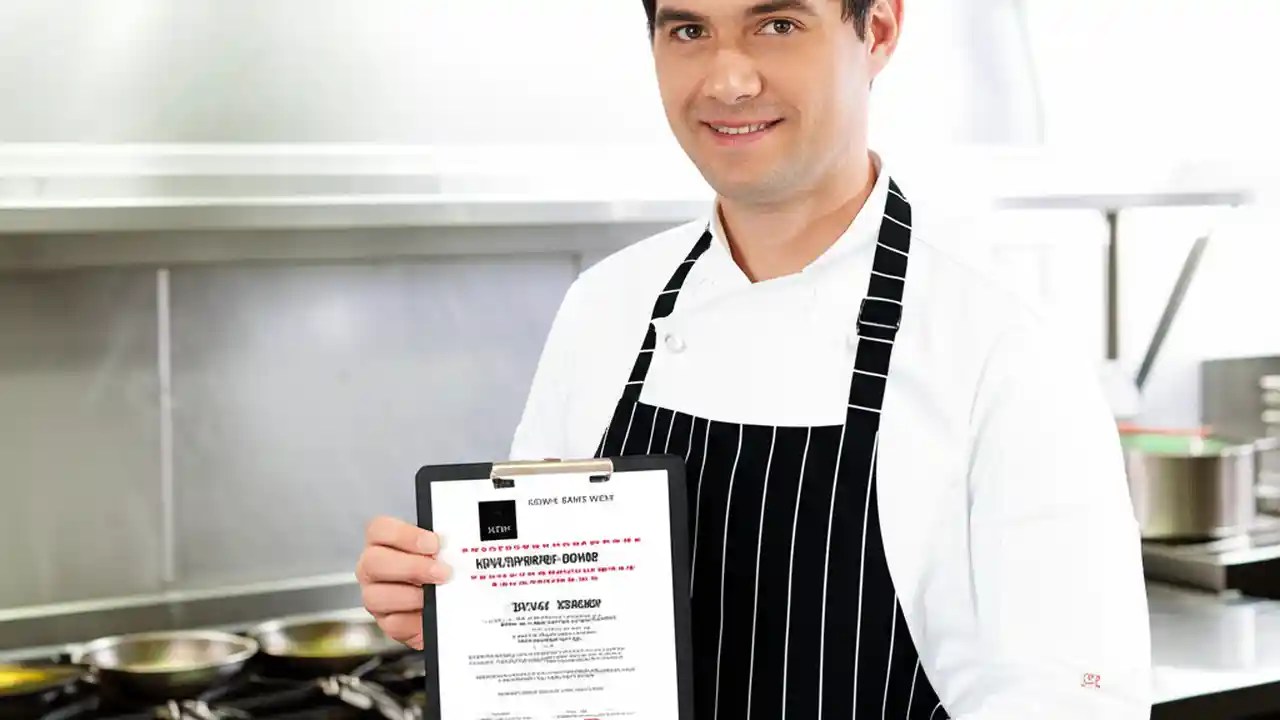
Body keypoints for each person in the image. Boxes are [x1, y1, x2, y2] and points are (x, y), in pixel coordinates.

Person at [356, 0, 1152, 717]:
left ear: (876, 32)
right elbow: (553, 630)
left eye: (778, 24)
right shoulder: (606, 307)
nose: (728, 80)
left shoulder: (1002, 348)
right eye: (689, 30)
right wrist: (462, 612)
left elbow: (1072, 701)